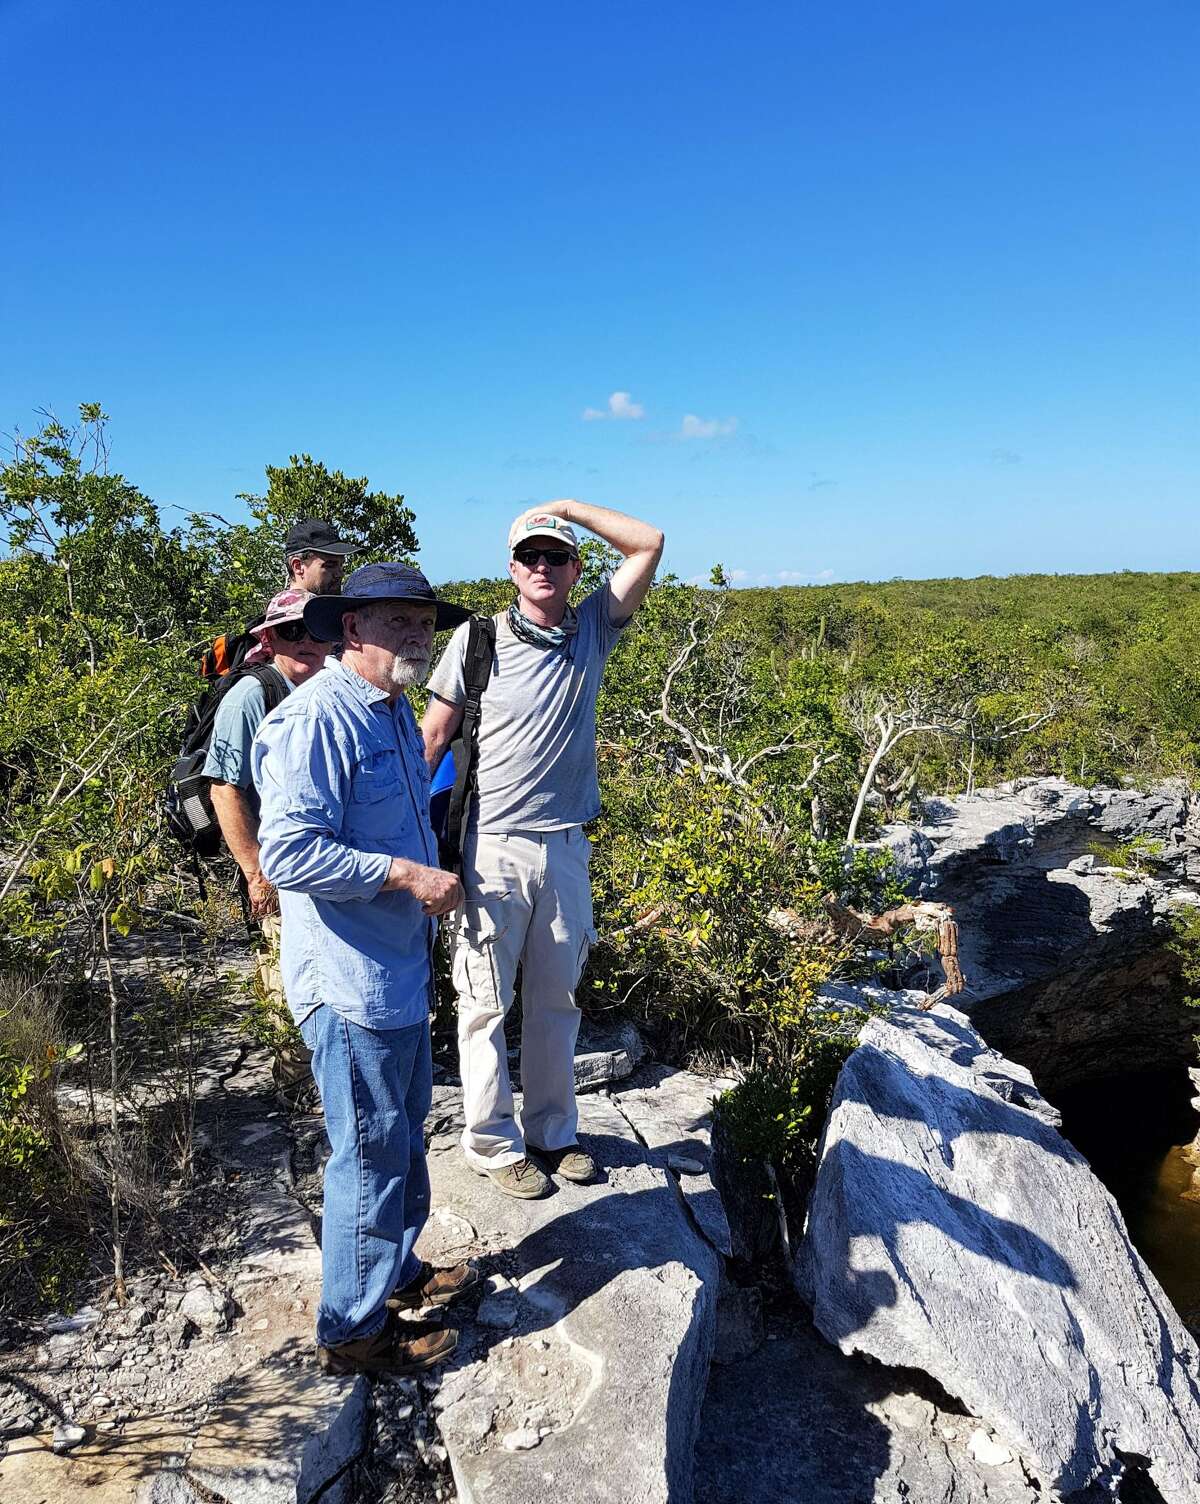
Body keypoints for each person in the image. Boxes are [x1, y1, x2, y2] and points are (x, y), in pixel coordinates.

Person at [252, 563, 477, 1376]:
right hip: (348, 984)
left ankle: (397, 1271)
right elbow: (289, 851)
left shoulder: (392, 709)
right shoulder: (319, 719)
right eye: (399, 621)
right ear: (352, 629)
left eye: (424, 621)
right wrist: (409, 876)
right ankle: (352, 1330)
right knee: (369, 1151)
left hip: (394, 974)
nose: (418, 633)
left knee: (401, 1136)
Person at [422, 501, 664, 1199]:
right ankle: (493, 1145)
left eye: (555, 556)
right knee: (485, 1002)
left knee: (557, 1000)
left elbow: (648, 544)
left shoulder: (591, 629)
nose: (542, 566)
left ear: (574, 567)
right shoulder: (476, 640)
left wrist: (562, 510)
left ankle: (553, 1134)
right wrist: (418, 849)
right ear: (511, 568)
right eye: (530, 555)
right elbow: (432, 738)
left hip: (564, 847)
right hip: (488, 845)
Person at [203, 589, 327, 1102]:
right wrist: (256, 873)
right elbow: (224, 788)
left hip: (326, 861)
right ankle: (296, 1085)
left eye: (314, 629)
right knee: (286, 974)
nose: (305, 642)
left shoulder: (335, 686)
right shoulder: (251, 696)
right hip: (275, 865)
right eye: (290, 631)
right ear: (269, 638)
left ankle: (326, 1073)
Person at [283, 518, 359, 596]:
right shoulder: (306, 607)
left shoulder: (280, 603)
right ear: (298, 566)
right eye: (330, 565)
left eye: (341, 565)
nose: (339, 574)